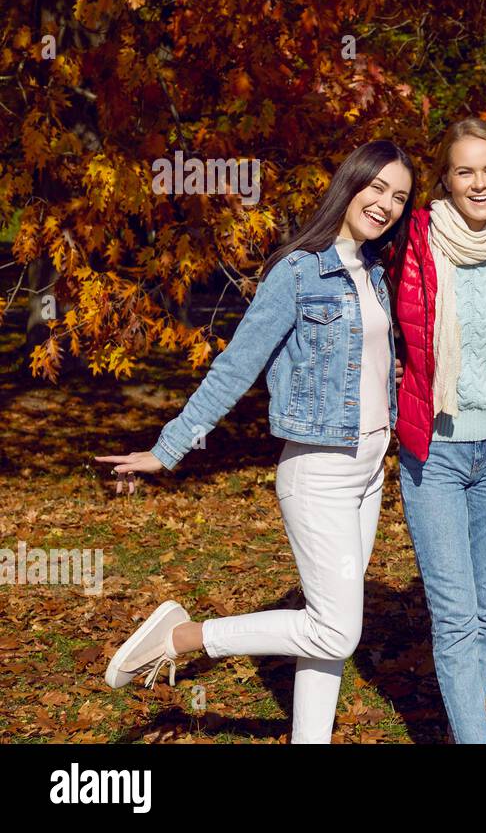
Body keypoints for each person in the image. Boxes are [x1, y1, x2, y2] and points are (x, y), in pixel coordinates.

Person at [95, 140, 412, 744]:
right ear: (351, 183)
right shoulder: (296, 271)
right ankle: (181, 637)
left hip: (370, 468)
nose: (386, 204)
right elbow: (237, 366)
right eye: (377, 188)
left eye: (398, 196)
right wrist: (169, 448)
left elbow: (362, 365)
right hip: (318, 473)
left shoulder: (373, 272)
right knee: (339, 631)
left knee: (327, 625)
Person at [392, 118, 486, 743]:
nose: (480, 183)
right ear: (444, 180)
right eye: (464, 171)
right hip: (437, 453)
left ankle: (463, 728)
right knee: (455, 616)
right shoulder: (410, 238)